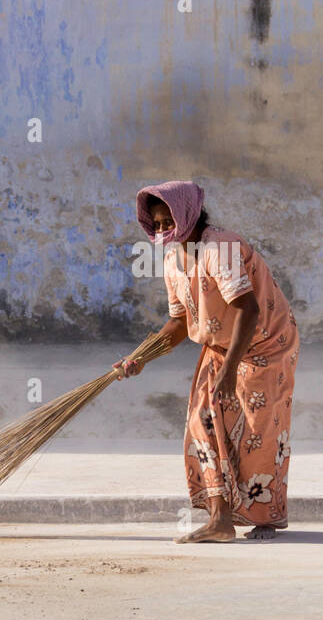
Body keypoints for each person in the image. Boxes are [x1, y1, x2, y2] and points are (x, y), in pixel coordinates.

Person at [114, 180, 300, 543]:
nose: (165, 230)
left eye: (169, 221)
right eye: (158, 224)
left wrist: (230, 371)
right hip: (221, 345)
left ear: (188, 213)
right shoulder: (172, 259)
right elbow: (180, 321)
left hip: (266, 343)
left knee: (256, 432)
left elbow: (247, 309)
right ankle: (220, 519)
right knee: (203, 420)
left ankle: (265, 516)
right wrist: (140, 358)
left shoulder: (221, 247)